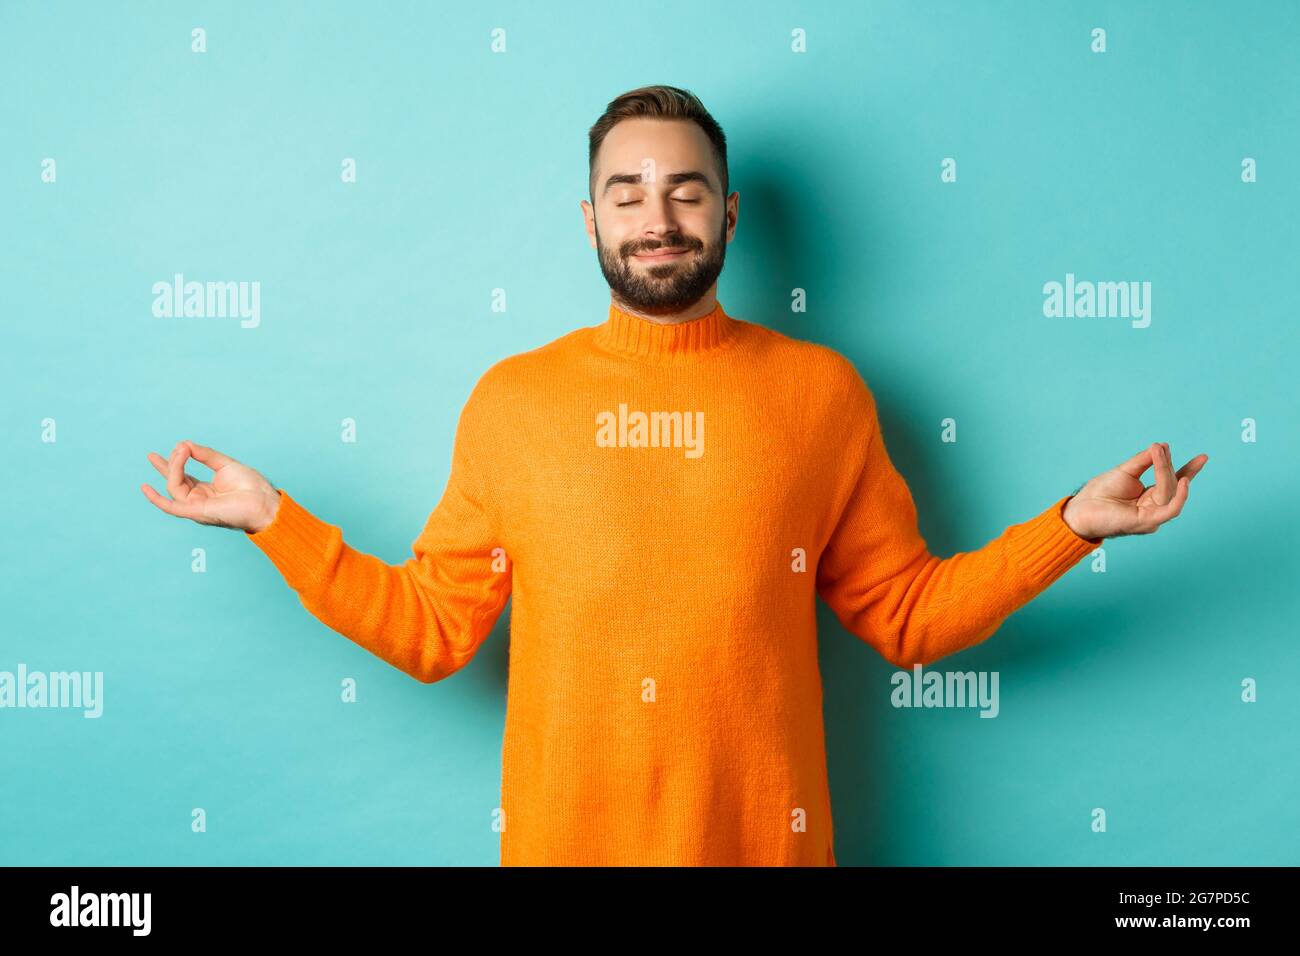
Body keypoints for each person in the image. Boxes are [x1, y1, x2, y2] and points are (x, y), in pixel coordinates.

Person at [141, 85, 1208, 866]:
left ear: (730, 214)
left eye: (686, 191)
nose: (657, 218)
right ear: (591, 218)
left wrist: (1073, 523)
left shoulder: (822, 393)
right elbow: (432, 629)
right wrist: (269, 518)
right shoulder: (514, 399)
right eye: (627, 193)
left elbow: (906, 615)